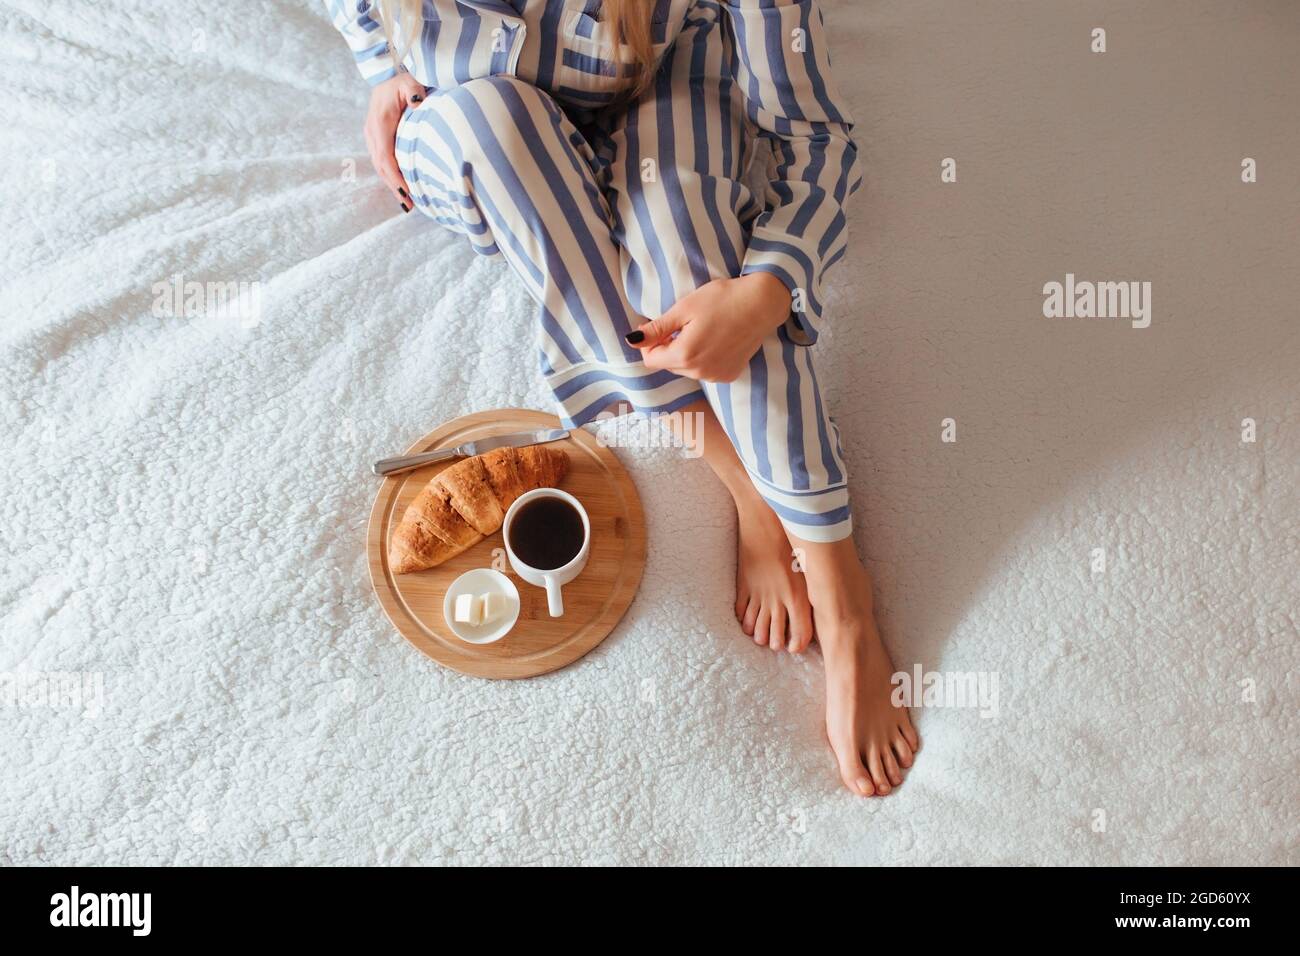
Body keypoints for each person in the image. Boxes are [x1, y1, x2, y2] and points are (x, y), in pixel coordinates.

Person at [326, 0, 919, 796]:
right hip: (473, 125)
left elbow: (816, 138)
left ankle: (845, 601)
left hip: (665, 75)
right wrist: (383, 63)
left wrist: (771, 288)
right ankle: (746, 484)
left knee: (691, 274)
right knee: (487, 125)